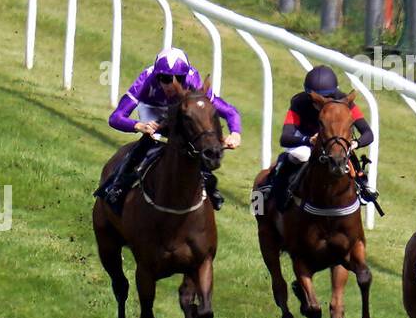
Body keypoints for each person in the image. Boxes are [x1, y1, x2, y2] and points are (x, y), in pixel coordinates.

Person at [95, 46, 242, 211]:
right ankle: (118, 185)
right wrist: (138, 126)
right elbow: (115, 118)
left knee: (192, 142)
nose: (172, 84)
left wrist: (235, 133)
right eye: (165, 78)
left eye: (178, 78)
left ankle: (209, 183)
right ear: (157, 76)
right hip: (151, 108)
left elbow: (230, 112)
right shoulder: (145, 80)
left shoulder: (193, 81)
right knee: (152, 140)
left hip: (180, 109)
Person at [264, 65, 377, 211]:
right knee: (300, 155)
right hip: (305, 141)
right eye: (315, 99)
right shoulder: (299, 102)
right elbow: (285, 138)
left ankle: (363, 189)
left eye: (327, 97)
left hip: (334, 144)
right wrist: (308, 140)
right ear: (309, 95)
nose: (321, 102)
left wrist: (355, 143)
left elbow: (368, 133)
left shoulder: (344, 102)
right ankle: (278, 195)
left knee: (347, 158)